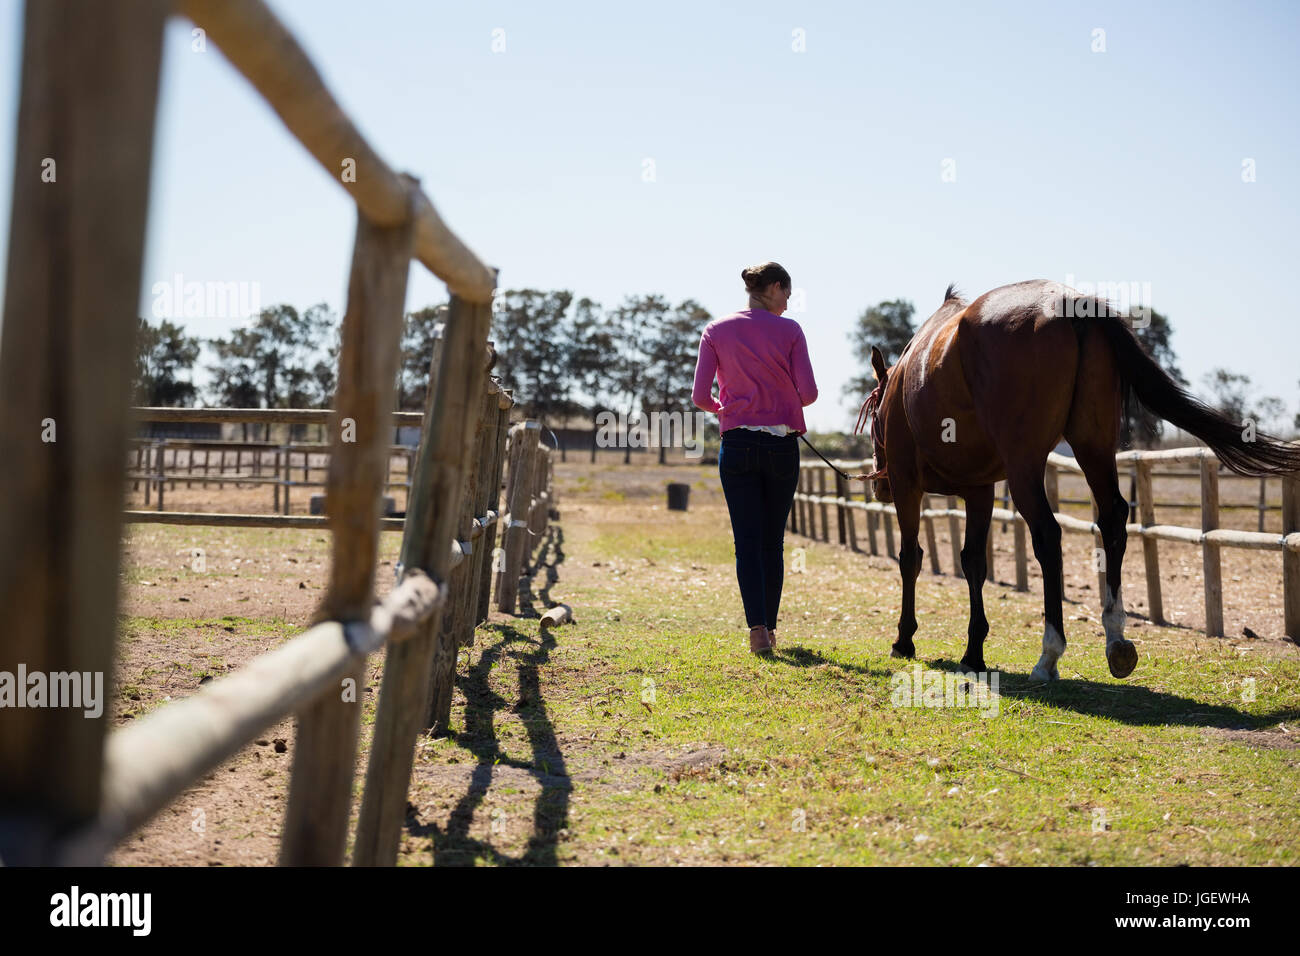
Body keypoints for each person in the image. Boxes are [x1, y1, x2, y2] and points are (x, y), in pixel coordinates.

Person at [691, 261, 818, 655]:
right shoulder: (791, 331)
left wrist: (727, 407)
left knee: (746, 541)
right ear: (776, 287)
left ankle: (757, 632)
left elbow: (700, 397)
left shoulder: (716, 330)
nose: (788, 303)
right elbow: (809, 393)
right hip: (782, 446)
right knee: (771, 542)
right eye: (787, 294)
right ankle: (773, 629)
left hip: (737, 444)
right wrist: (780, 398)